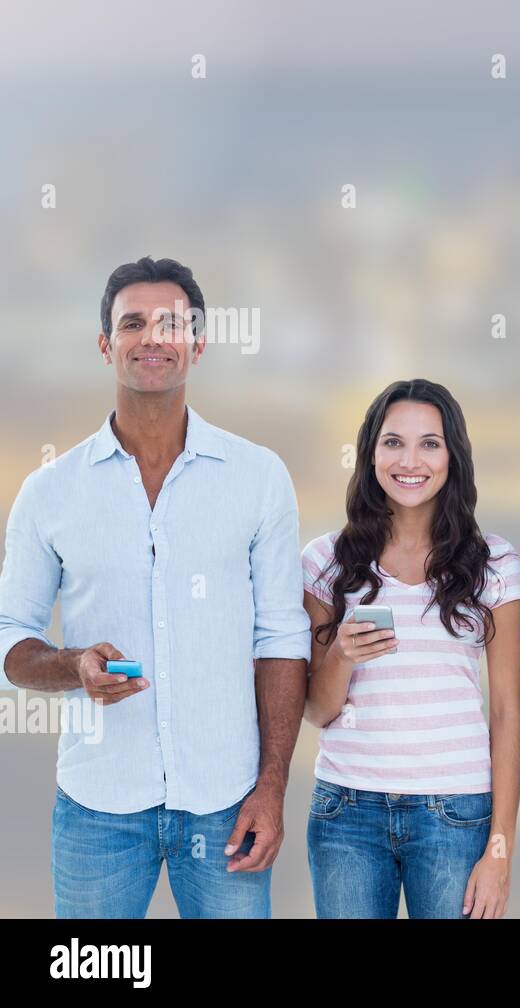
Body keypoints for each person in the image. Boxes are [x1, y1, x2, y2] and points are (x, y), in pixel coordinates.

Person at [0, 256, 310, 918]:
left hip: (228, 803)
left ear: (198, 342)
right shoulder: (48, 493)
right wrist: (71, 666)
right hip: (98, 811)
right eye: (132, 323)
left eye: (171, 323)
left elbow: (281, 637)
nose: (152, 337)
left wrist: (272, 788)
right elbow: (11, 640)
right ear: (106, 345)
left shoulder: (257, 477)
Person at [301, 379, 520, 919]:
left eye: (430, 443)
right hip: (346, 812)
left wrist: (499, 851)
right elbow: (316, 709)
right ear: (371, 454)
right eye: (393, 442)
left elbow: (506, 714)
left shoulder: (493, 563)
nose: (411, 460)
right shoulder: (324, 560)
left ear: (453, 456)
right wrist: (343, 655)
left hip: (456, 816)